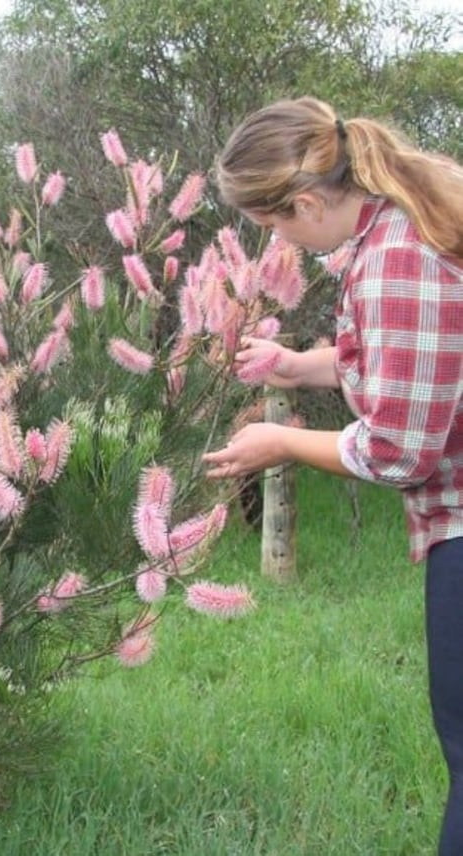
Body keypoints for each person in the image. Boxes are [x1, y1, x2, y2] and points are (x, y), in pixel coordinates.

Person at [204, 96, 463, 854]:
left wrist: (280, 440)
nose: (276, 240)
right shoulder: (405, 220)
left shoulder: (397, 257)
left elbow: (395, 449)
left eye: (274, 223)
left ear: (308, 201)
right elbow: (398, 361)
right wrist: (292, 364)